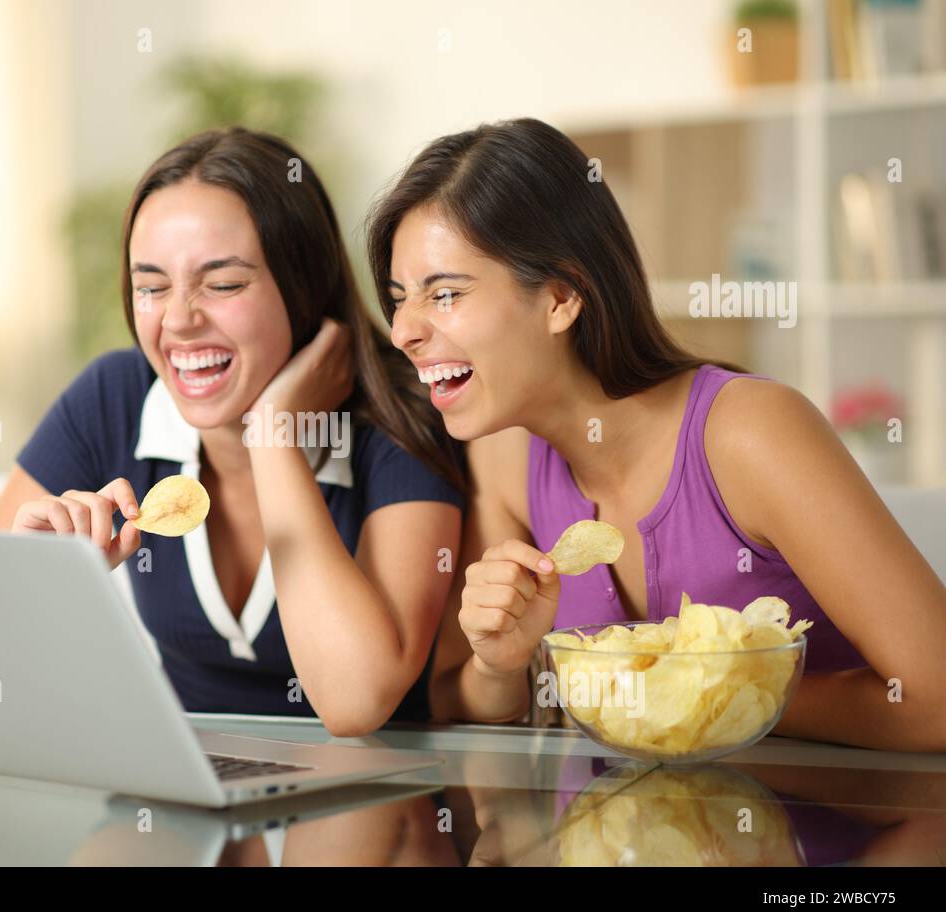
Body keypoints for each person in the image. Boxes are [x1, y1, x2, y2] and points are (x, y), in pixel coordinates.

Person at [367, 117, 946, 751]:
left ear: (560, 296)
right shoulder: (503, 456)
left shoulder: (751, 434)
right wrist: (499, 664)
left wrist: (690, 687)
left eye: (445, 294)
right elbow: (456, 698)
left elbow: (934, 699)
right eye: (399, 299)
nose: (403, 332)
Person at [0, 128, 464, 736]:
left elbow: (356, 700)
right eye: (151, 287)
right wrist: (45, 582)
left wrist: (274, 439)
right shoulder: (114, 397)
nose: (179, 320)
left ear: (303, 287)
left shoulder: (401, 417)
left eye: (224, 283)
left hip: (378, 807)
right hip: (192, 803)